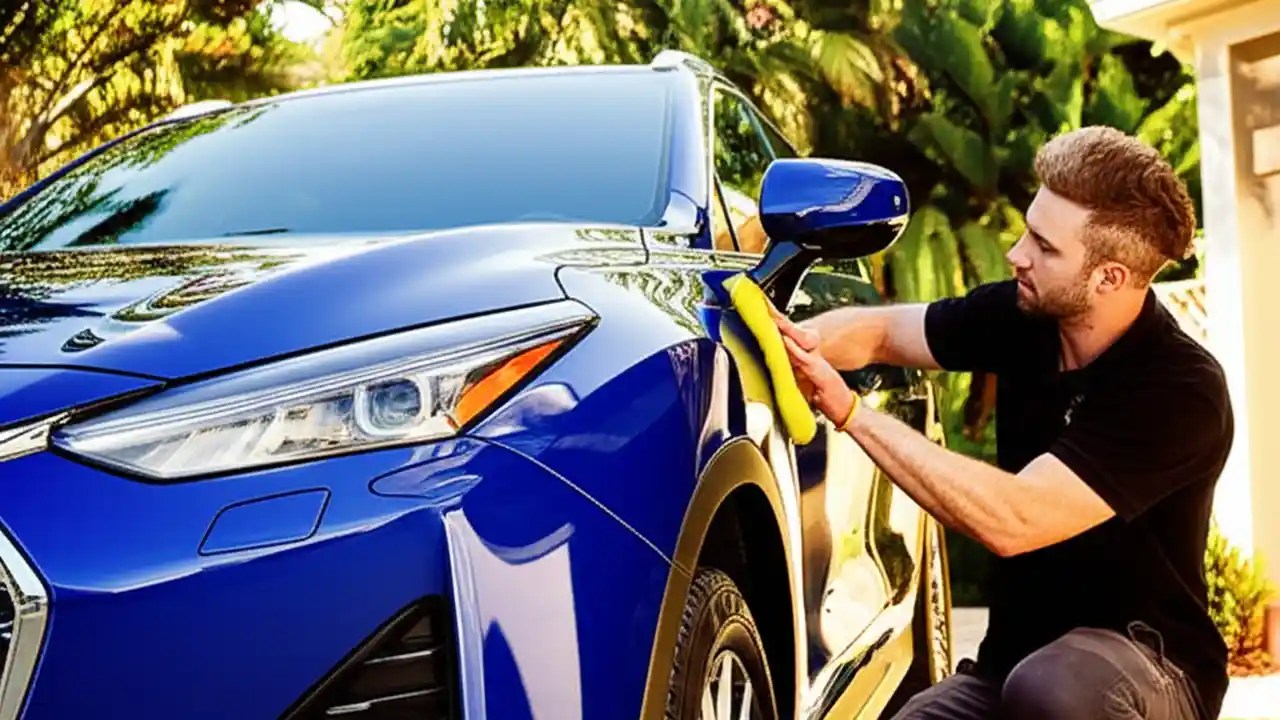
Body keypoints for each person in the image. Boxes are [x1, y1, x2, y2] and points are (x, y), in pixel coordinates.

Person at [772, 126, 1233, 719]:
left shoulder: (1180, 391)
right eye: (1027, 230)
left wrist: (852, 413)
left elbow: (1015, 518)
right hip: (1009, 669)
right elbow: (882, 333)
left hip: (1146, 671)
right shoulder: (1022, 317)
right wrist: (781, 345)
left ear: (1110, 277)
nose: (1017, 254)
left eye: (1044, 246)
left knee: (1053, 690)